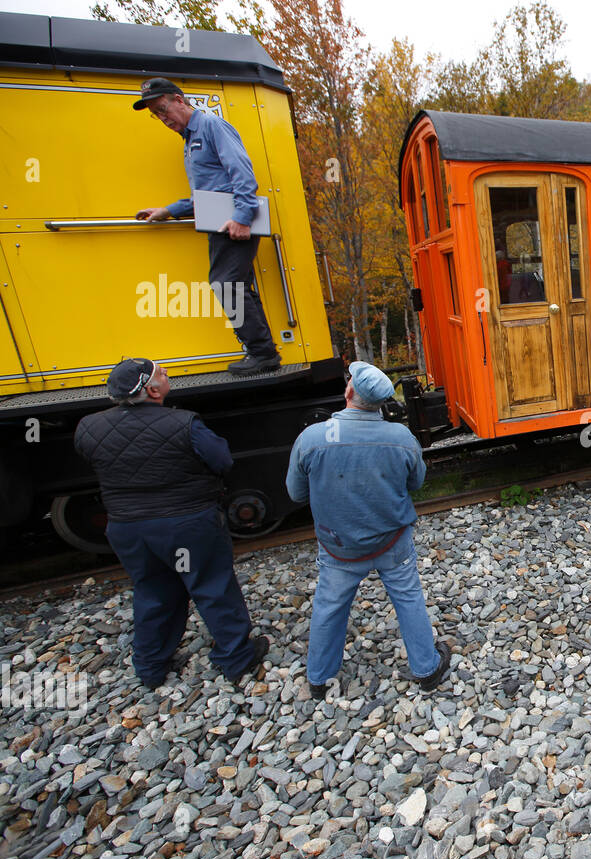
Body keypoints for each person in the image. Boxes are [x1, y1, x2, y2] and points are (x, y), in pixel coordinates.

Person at [73, 358, 268, 689]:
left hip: (128, 527)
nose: (167, 375)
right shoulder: (184, 423)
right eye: (161, 373)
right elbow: (222, 459)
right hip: (185, 524)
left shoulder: (88, 427)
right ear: (151, 389)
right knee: (211, 585)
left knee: (153, 590)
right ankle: (236, 658)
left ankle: (150, 667)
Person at [286, 361, 449, 699]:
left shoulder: (312, 437)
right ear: (382, 402)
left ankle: (319, 679)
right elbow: (416, 483)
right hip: (391, 542)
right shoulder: (401, 438)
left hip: (337, 546)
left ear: (349, 391)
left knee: (329, 606)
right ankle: (426, 669)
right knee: (408, 598)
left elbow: (296, 493)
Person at [132, 77, 281, 376]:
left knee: (225, 285)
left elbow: (241, 172)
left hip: (232, 222)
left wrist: (242, 216)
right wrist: (169, 210)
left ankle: (262, 353)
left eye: (163, 109)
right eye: (155, 115)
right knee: (237, 286)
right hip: (219, 222)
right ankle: (262, 351)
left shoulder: (212, 126)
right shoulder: (189, 140)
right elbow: (207, 193)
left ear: (179, 99)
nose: (162, 118)